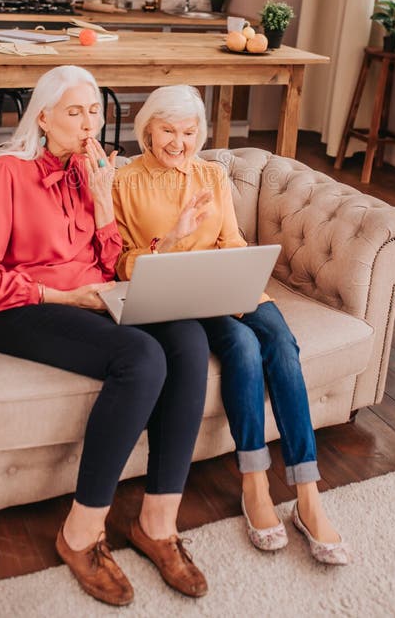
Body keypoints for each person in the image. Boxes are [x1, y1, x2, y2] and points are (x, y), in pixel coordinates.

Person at [0, 67, 210, 607]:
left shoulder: (90, 172)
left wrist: (101, 202)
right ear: (43, 117)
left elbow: (109, 267)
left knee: (188, 341)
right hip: (23, 308)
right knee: (142, 358)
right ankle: (80, 533)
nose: (88, 122)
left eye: (94, 110)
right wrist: (63, 297)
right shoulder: (8, 172)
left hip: (94, 299)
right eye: (74, 111)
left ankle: (157, 523)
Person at [112, 85, 349, 566]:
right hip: (180, 296)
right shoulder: (124, 182)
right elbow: (120, 264)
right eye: (168, 130)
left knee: (281, 342)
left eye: (190, 130)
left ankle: (307, 493)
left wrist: (240, 269)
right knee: (241, 348)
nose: (180, 141)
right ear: (148, 130)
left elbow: (231, 238)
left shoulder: (212, 175)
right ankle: (255, 483)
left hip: (227, 286)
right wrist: (173, 238)